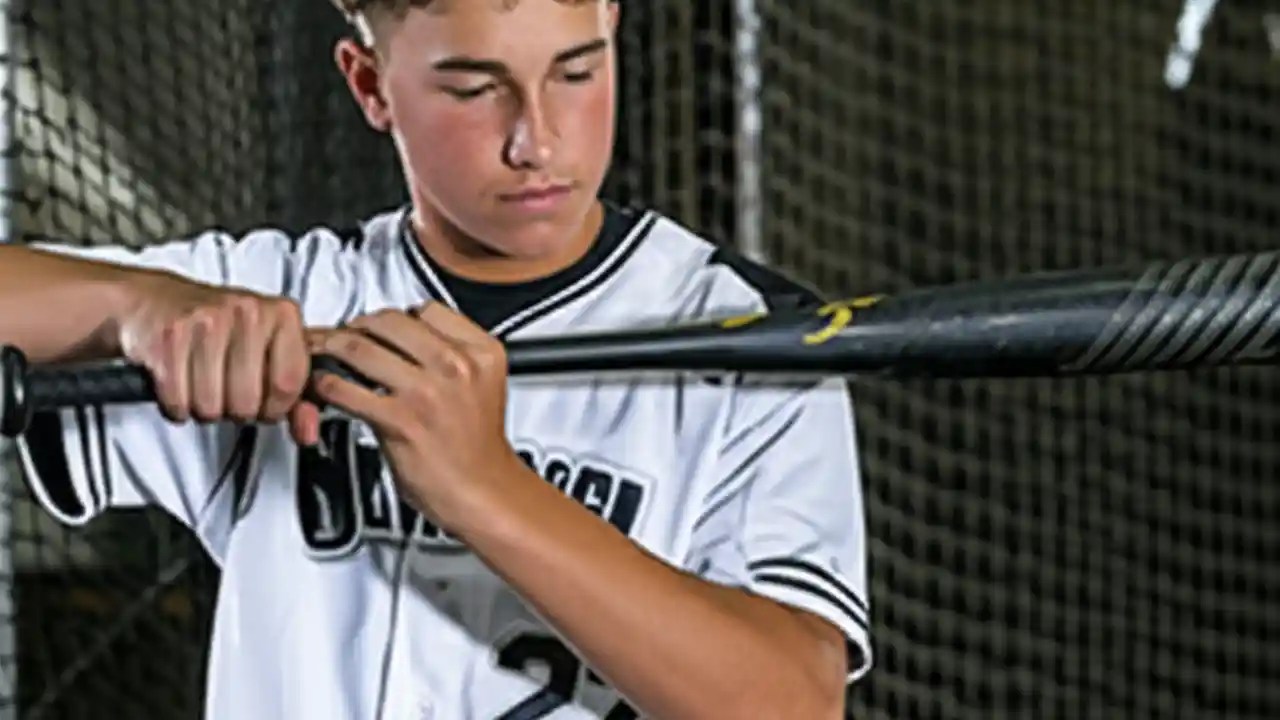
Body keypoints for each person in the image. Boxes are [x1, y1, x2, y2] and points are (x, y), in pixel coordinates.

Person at [0, 1, 871, 717]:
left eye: (577, 72)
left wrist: (485, 485)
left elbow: (791, 700)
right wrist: (138, 307)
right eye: (473, 88)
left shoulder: (742, 331)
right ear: (371, 84)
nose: (537, 140)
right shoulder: (287, 293)